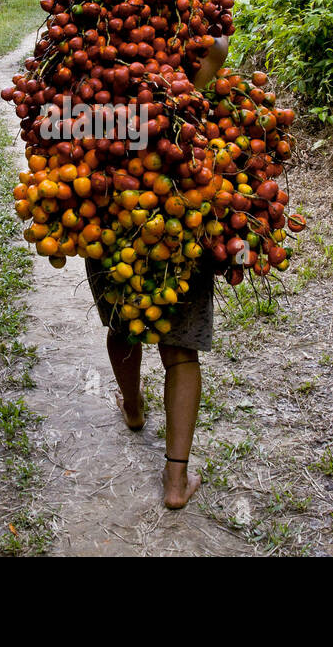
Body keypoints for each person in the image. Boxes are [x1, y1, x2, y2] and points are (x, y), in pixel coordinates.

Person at [85, 34, 229, 510]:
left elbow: (55, 116)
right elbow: (218, 50)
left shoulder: (92, 47)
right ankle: (175, 480)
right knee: (180, 348)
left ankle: (132, 406)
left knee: (123, 324)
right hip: (182, 208)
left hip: (106, 206)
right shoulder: (191, 46)